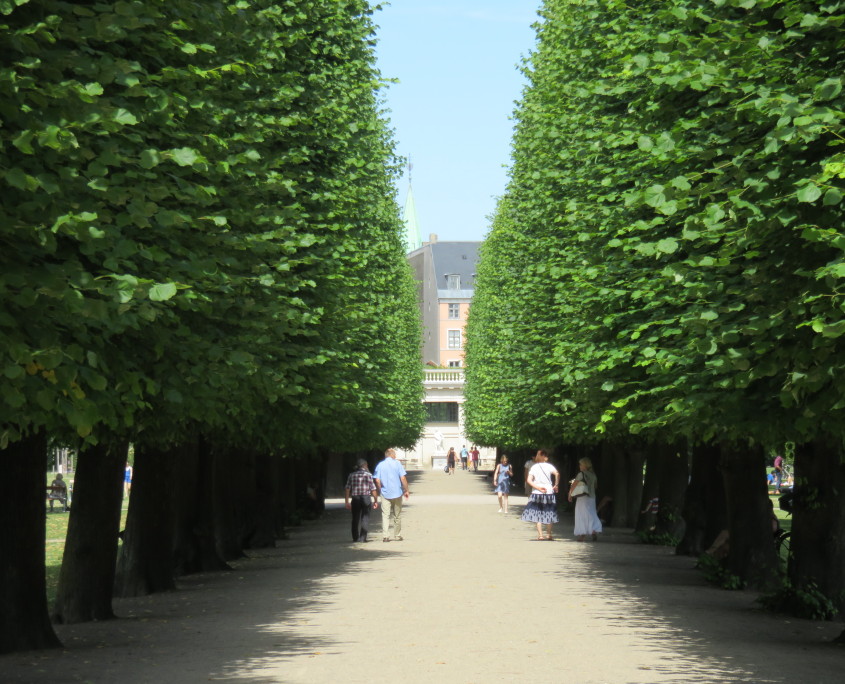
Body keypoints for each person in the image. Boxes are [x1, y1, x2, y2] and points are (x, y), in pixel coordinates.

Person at [521, 449, 559, 540]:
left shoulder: (534, 467)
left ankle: (540, 535)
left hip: (537, 492)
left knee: (537, 513)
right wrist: (556, 485)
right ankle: (549, 534)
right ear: (545, 457)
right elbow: (557, 473)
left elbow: (529, 480)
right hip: (549, 492)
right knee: (549, 512)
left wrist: (537, 487)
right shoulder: (549, 466)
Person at [373, 448, 409, 542]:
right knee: (397, 515)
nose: (396, 456)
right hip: (397, 492)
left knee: (385, 515)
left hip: (385, 493)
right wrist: (406, 490)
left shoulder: (380, 465)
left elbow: (377, 480)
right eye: (395, 454)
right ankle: (397, 535)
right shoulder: (397, 464)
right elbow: (403, 478)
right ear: (391, 455)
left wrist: (380, 489)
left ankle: (386, 536)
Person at [568, 457, 603, 541]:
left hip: (582, 497)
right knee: (591, 513)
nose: (579, 466)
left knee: (581, 514)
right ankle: (594, 529)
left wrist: (570, 494)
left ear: (585, 465)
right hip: (592, 497)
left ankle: (582, 534)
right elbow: (595, 486)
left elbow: (574, 485)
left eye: (581, 464)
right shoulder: (593, 475)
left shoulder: (581, 474)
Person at [344, 458, 379, 543]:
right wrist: (375, 500)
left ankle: (355, 537)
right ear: (364, 465)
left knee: (355, 518)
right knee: (365, 518)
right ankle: (363, 538)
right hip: (366, 498)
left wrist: (347, 501)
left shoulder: (351, 475)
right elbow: (373, 489)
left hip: (355, 498)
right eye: (366, 465)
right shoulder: (368, 475)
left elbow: (347, 488)